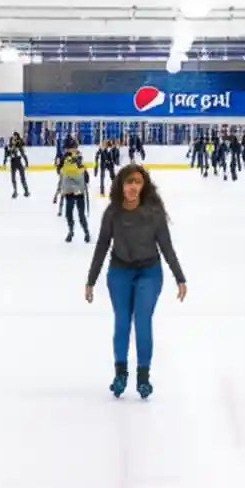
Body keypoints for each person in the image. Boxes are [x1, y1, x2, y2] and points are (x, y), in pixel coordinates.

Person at [85, 164, 187, 399]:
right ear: (121, 185)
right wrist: (91, 280)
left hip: (149, 273)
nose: (133, 187)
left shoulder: (153, 213)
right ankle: (120, 373)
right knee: (122, 322)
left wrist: (179, 277)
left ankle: (143, 377)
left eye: (137, 182)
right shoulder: (112, 213)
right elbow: (102, 246)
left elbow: (166, 246)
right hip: (120, 272)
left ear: (144, 186)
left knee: (142, 321)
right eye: (129, 182)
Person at [55, 147, 91, 243]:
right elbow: (59, 171)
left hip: (77, 191)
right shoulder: (66, 163)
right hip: (70, 191)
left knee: (79, 214)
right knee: (69, 213)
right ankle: (72, 231)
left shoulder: (78, 164)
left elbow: (87, 179)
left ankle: (86, 232)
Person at [6, 133, 30, 198]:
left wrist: (26, 162)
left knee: (22, 178)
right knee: (13, 179)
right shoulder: (10, 146)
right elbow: (7, 154)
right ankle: (15, 191)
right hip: (13, 163)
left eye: (15, 137)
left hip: (18, 163)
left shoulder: (19, 145)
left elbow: (23, 154)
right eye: (13, 138)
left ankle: (26, 190)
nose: (14, 139)